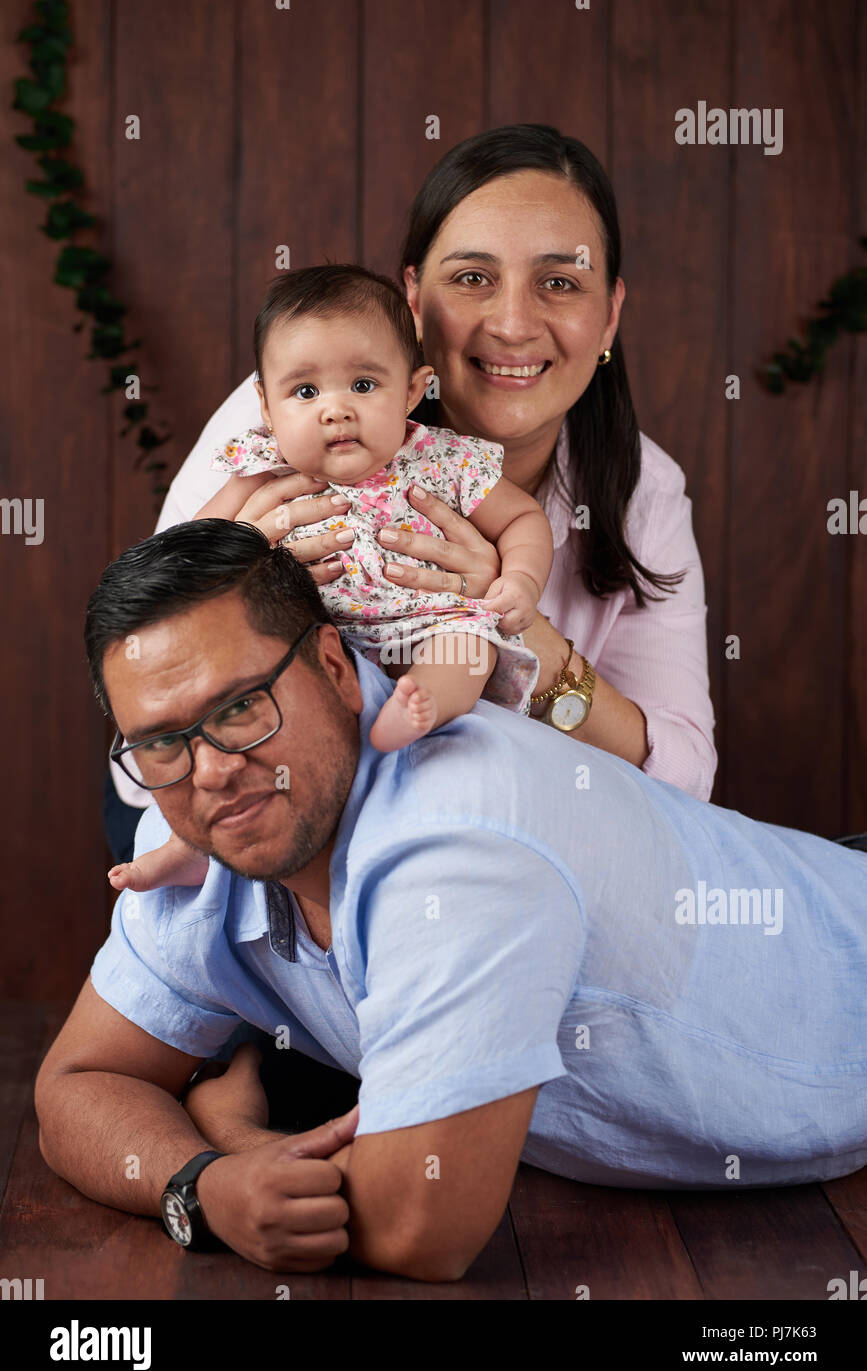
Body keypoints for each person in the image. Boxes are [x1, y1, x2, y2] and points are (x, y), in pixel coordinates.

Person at [36, 522, 866, 1282]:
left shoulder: (461, 841)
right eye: (162, 739)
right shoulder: (193, 839)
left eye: (242, 705)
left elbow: (418, 1227)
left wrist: (234, 1143)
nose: (211, 769)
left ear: (334, 668)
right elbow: (77, 1083)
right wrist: (204, 1185)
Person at [104, 123, 718, 865]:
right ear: (413, 300)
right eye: (471, 278)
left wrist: (528, 635)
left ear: (609, 315)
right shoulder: (294, 413)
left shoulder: (641, 489)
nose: (515, 324)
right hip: (262, 810)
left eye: (560, 282)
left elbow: (684, 780)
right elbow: (147, 678)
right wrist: (234, 575)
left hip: (481, 834)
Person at [108, 262, 550, 892]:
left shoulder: (441, 461)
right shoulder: (262, 468)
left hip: (423, 626)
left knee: (468, 646)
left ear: (413, 389)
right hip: (306, 652)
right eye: (306, 393)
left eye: (364, 384)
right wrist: (240, 548)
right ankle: (188, 845)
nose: (336, 410)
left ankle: (418, 707)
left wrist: (522, 583)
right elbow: (183, 553)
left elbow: (524, 519)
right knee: (238, 743)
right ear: (265, 403)